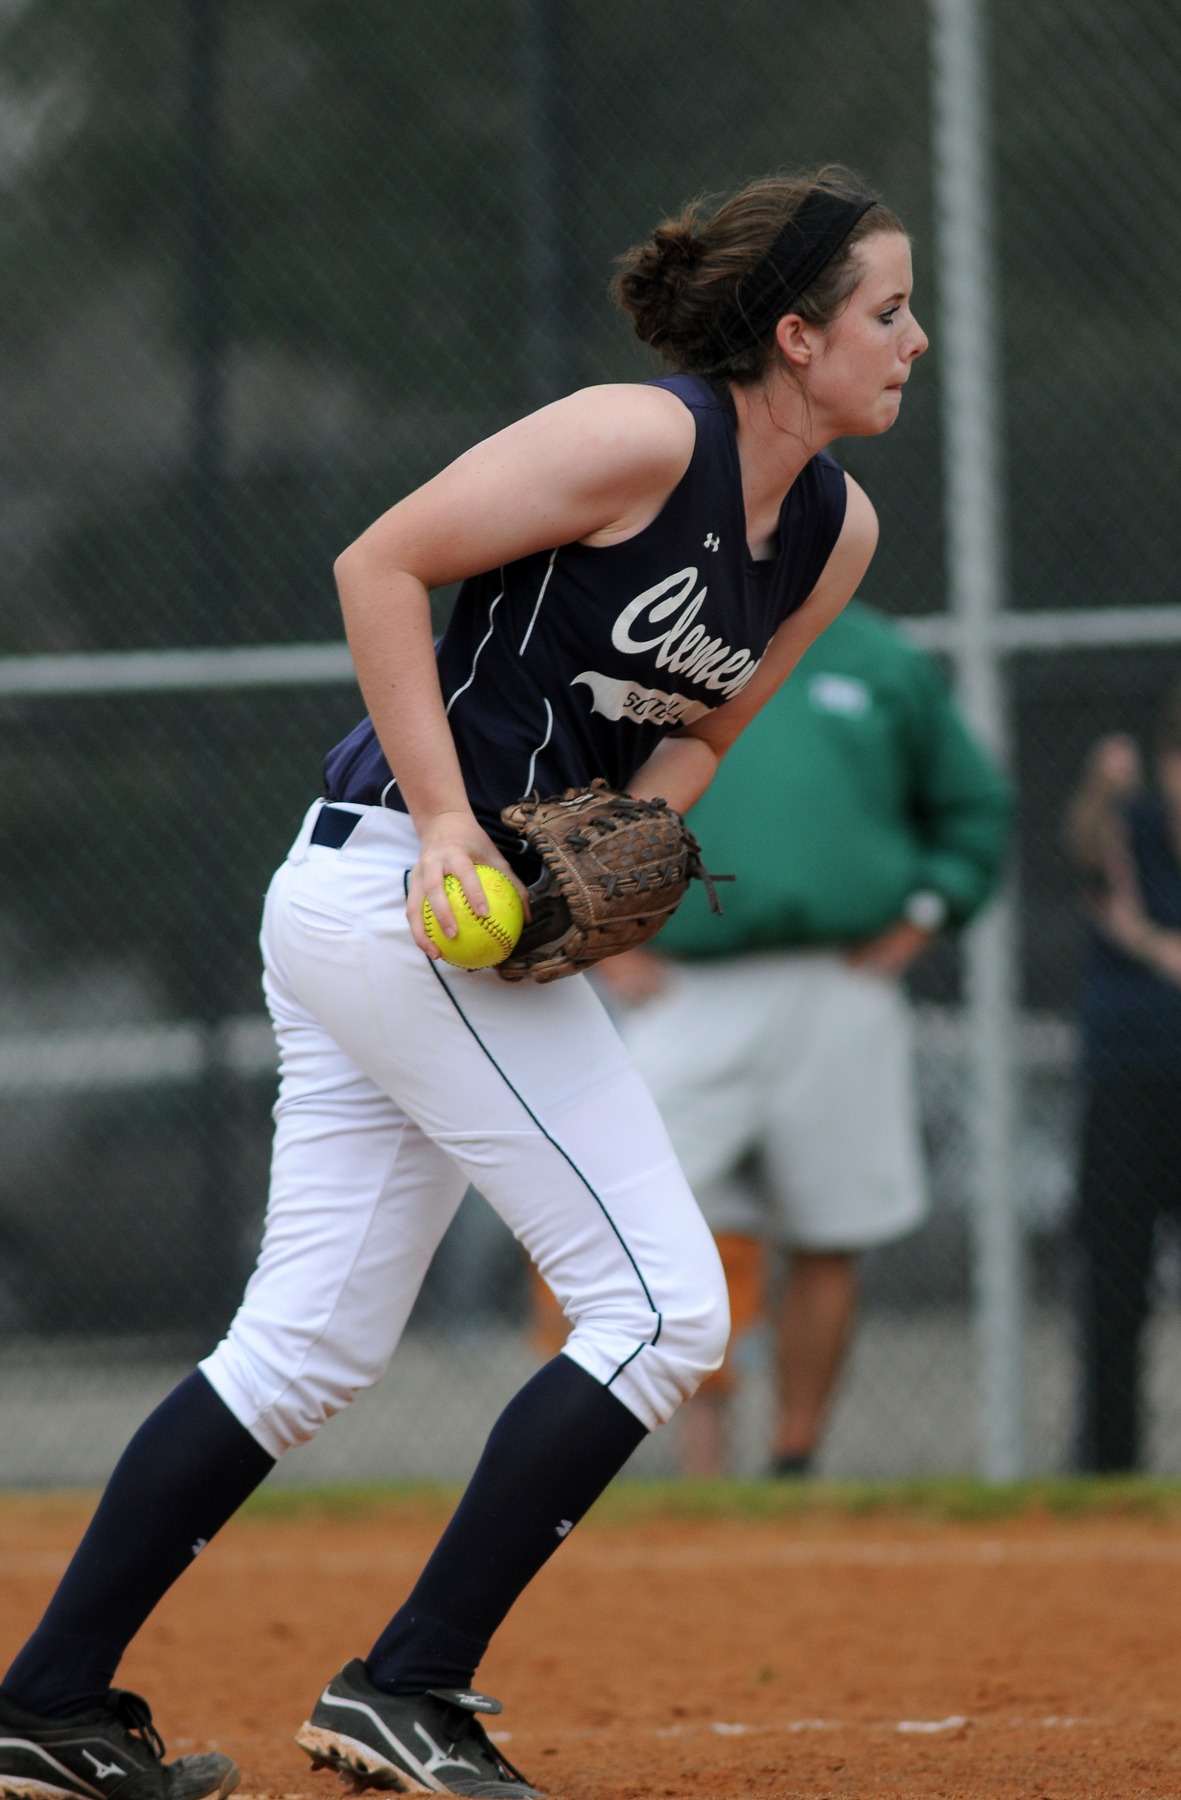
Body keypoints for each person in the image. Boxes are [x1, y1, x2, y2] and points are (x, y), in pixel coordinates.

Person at [0, 170, 927, 1800]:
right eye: (885, 310)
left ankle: (46, 1704)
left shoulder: (833, 531)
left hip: (456, 923)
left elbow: (701, 732)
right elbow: (381, 565)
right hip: (395, 888)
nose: (912, 339)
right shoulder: (644, 441)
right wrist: (449, 821)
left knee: (302, 1349)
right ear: (793, 335)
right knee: (664, 1307)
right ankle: (406, 1686)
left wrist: (622, 856)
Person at [529, 599, 1011, 1476]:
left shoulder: (876, 655)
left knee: (831, 1233)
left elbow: (973, 809)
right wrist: (600, 951)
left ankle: (793, 1462)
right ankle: (687, 1464)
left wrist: (924, 914)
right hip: (680, 989)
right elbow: (557, 806)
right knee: (636, 1225)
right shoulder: (649, 645)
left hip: (840, 981)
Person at [1066, 688, 1181, 1473]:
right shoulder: (1128, 824)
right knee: (1113, 1278)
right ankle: (1107, 1462)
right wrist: (1100, 789)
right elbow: (1083, 850)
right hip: (1130, 1076)